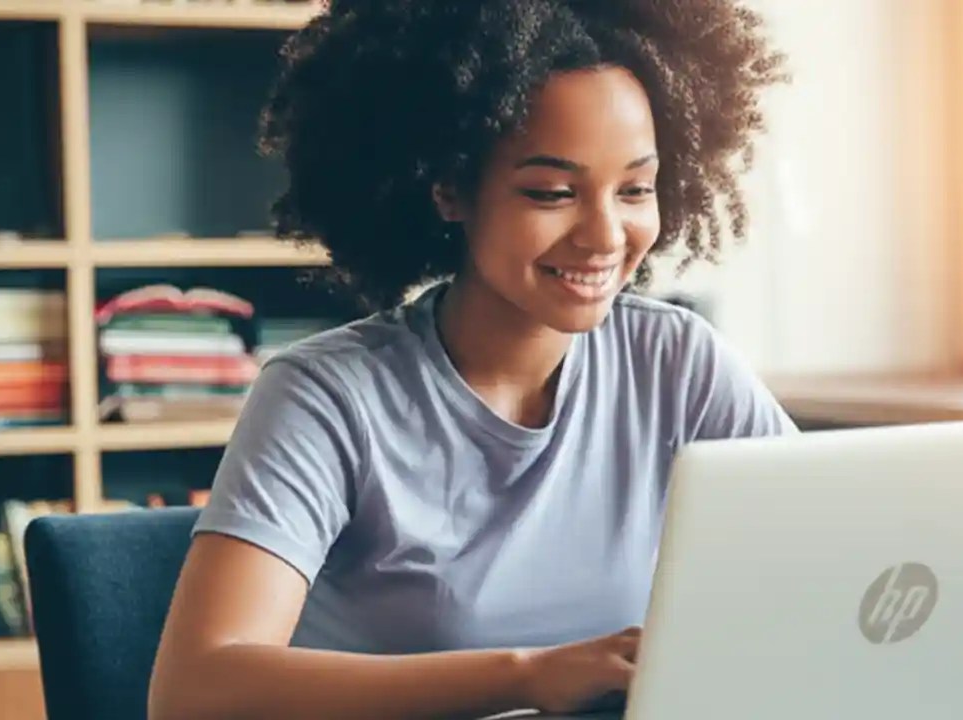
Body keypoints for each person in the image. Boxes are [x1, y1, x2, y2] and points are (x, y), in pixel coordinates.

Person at [148, 1, 791, 718]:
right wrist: (525, 676)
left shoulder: (677, 363)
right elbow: (194, 691)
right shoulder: (327, 397)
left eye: (635, 189)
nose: (606, 235)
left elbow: (831, 558)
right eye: (552, 193)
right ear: (449, 188)